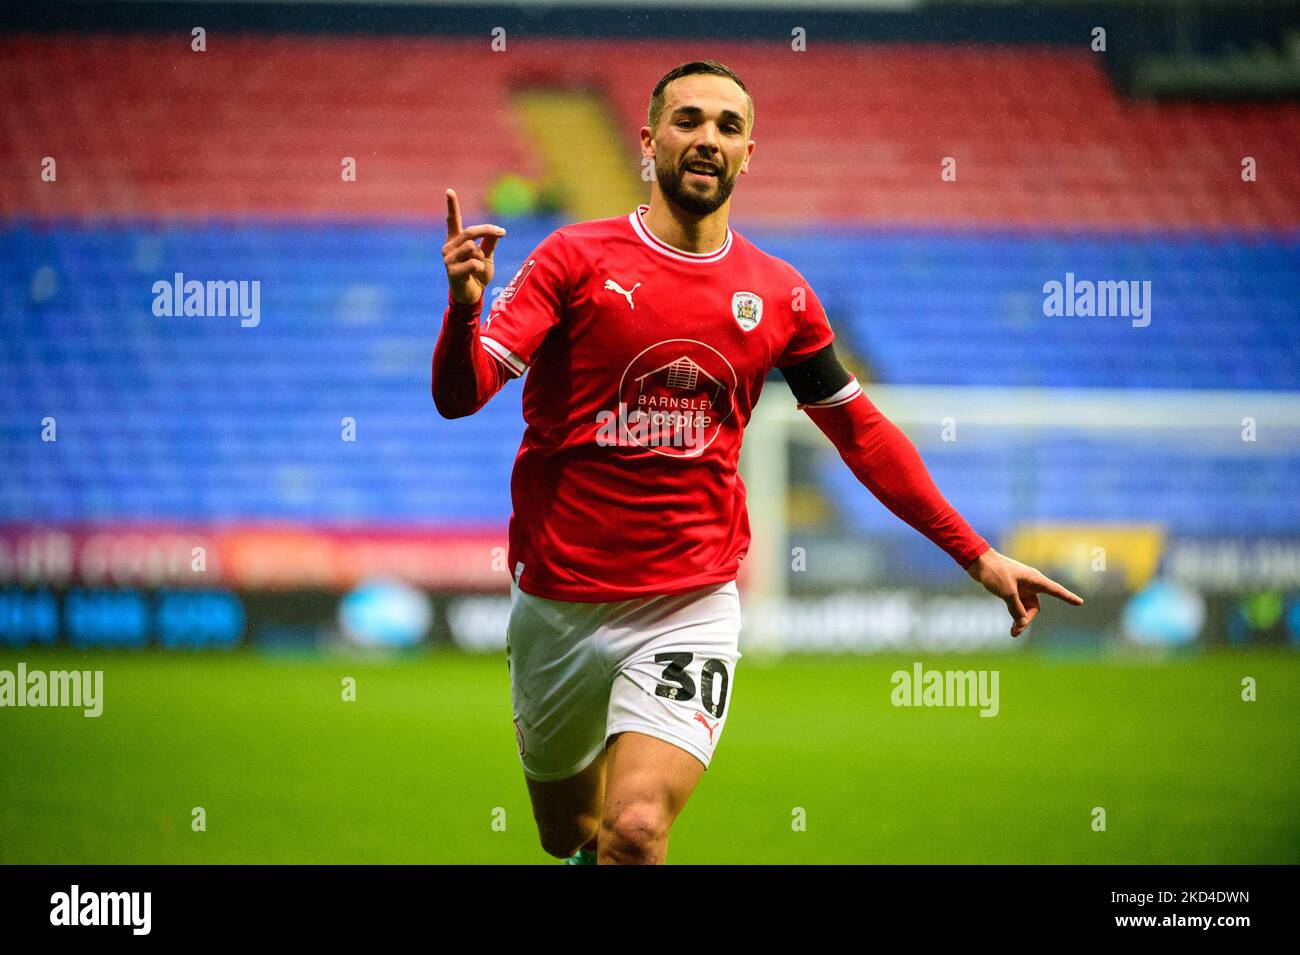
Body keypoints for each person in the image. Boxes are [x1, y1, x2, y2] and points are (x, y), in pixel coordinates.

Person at [432, 60, 1083, 865]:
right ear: (648, 141)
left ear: (748, 155)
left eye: (728, 127)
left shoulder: (779, 295)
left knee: (634, 830)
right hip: (557, 603)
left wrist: (976, 553)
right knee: (567, 833)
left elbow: (862, 434)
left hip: (689, 602)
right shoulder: (574, 259)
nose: (708, 139)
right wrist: (463, 312)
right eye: (689, 120)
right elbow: (463, 394)